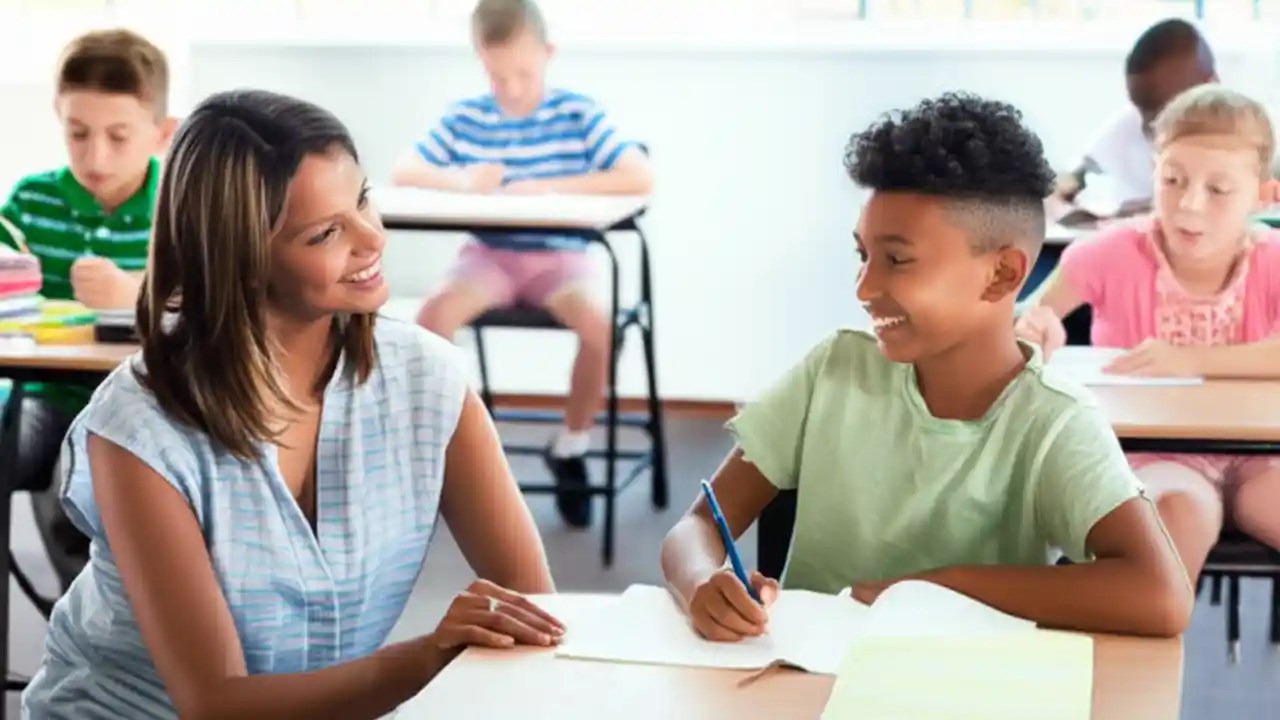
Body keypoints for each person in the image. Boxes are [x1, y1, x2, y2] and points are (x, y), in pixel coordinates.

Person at [22, 89, 562, 719]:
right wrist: (430, 656)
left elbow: (541, 609)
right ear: (242, 261)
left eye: (362, 200)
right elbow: (215, 705)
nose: (371, 238)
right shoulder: (139, 427)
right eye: (326, 232)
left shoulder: (429, 381)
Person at [660, 92, 1192, 642]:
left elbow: (1160, 597)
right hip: (808, 686)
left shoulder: (1053, 421)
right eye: (862, 255)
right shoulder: (833, 370)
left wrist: (938, 587)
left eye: (896, 260)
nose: (863, 288)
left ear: (1002, 275)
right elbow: (696, 526)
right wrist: (701, 579)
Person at [391, 0, 654, 529]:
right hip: (491, 256)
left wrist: (551, 186)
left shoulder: (576, 112)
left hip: (561, 259)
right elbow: (405, 169)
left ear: (547, 54)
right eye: (495, 73)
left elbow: (638, 175)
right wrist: (463, 181)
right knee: (432, 319)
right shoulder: (468, 116)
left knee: (599, 328)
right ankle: (452, 446)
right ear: (479, 59)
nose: (510, 87)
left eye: (522, 73)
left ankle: (572, 447)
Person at [1018, 85, 1280, 576]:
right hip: (1149, 459)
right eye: (1173, 180)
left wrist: (1192, 360)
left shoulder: (1273, 260)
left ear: (1264, 197)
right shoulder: (1109, 253)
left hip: (1261, 458)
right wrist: (1034, 329)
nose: (1190, 205)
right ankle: (1146, 644)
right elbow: (1024, 323)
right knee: (1175, 519)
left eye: (1219, 190)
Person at [0, 28, 174, 591]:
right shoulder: (32, 201)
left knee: (78, 482)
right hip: (41, 397)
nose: (95, 157)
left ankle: (94, 633)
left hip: (143, 404)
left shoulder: (179, 206)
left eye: (119, 136)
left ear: (160, 133)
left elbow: (216, 306)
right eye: (77, 134)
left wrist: (135, 295)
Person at [1052, 18, 1215, 215]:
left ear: (1210, 87)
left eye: (1162, 110)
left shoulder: (1243, 134)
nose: (1148, 124)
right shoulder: (1128, 126)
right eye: (1141, 106)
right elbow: (1069, 185)